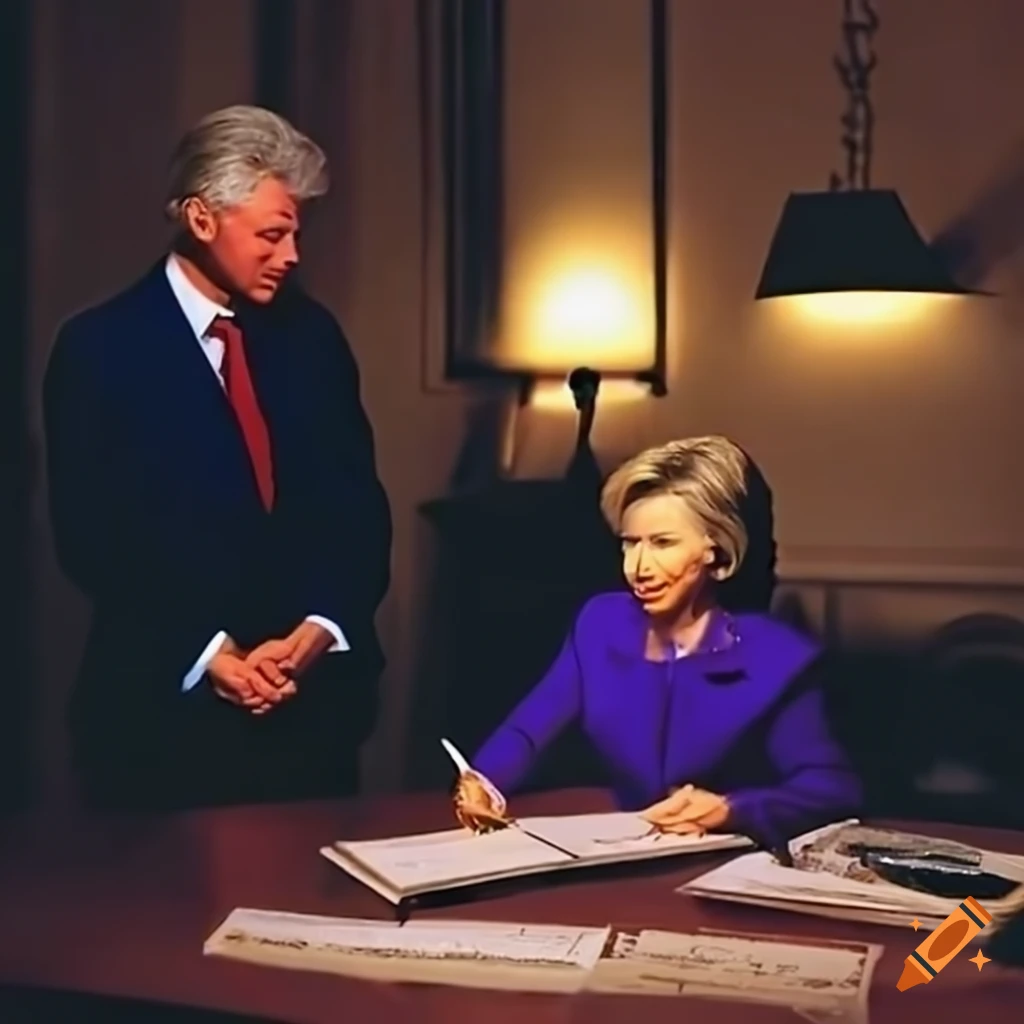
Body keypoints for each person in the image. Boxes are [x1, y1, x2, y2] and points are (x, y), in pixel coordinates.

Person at [43, 105, 391, 810]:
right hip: (160, 730)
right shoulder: (98, 349)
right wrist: (212, 655)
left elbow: (357, 510)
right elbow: (92, 539)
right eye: (272, 233)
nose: (291, 254)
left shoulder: (313, 337)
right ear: (202, 219)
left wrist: (319, 628)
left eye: (296, 231)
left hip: (310, 725)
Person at [454, 436, 861, 847]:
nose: (638, 567)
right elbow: (529, 729)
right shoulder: (600, 624)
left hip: (726, 863)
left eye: (663, 543)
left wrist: (731, 809)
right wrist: (485, 781)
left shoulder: (779, 658)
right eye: (630, 543)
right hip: (621, 855)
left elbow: (832, 788)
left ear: (717, 552)